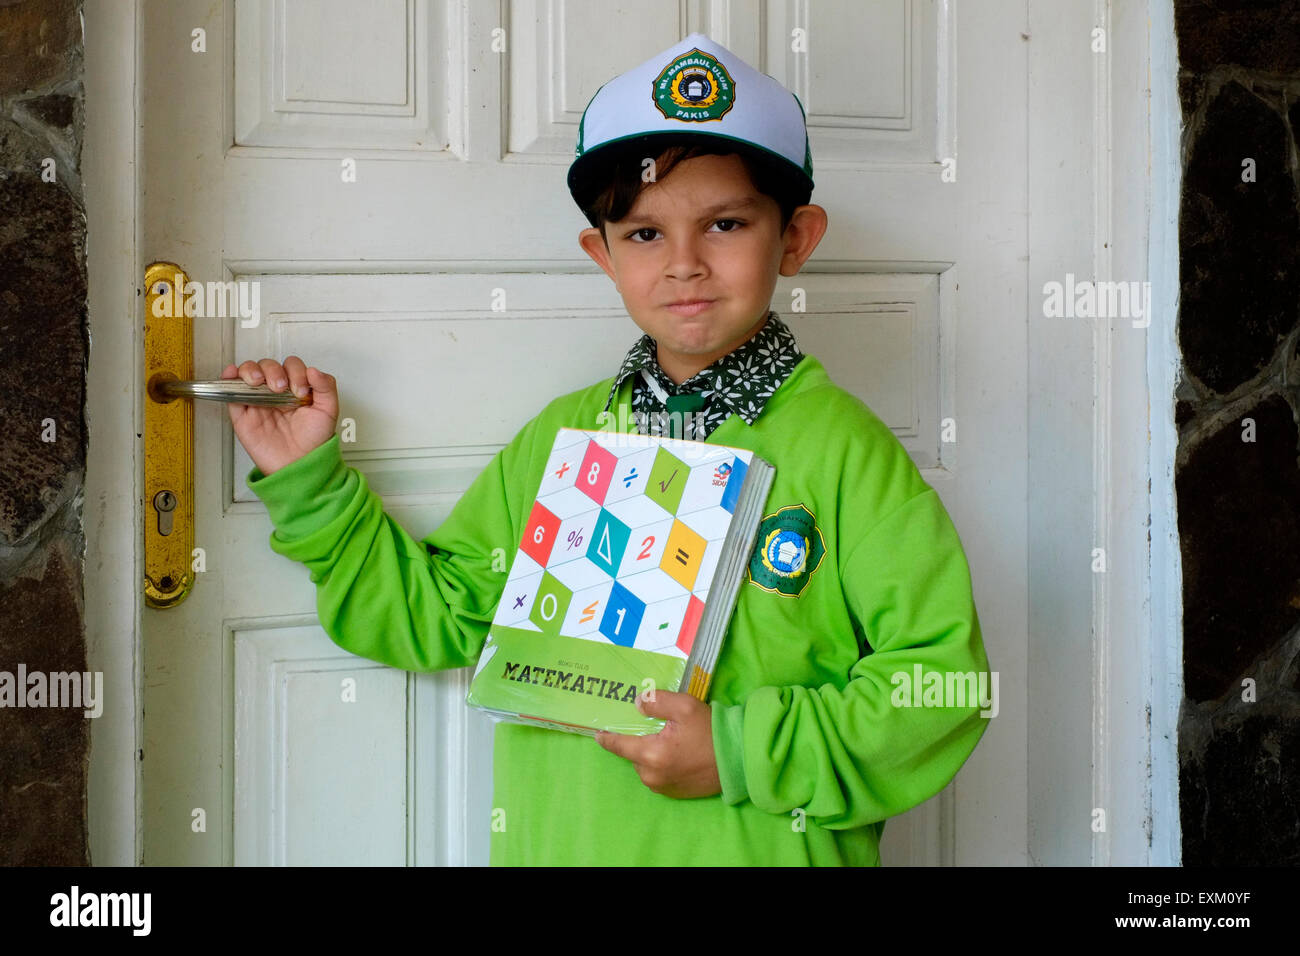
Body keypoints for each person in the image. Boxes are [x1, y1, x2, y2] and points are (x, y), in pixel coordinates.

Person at [225, 32, 993, 865]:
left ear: (796, 239)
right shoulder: (563, 440)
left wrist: (737, 749)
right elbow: (437, 619)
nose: (685, 265)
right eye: (643, 234)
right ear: (602, 254)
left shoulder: (845, 452)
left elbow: (940, 689)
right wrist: (308, 481)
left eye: (725, 224)